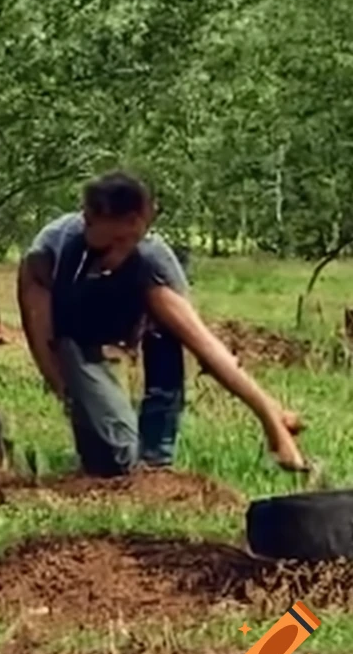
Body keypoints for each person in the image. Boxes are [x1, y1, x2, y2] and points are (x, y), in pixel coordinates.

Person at [16, 171, 306, 477]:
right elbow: (45, 337)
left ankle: (155, 463)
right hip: (75, 325)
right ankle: (105, 462)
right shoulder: (51, 255)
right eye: (99, 241)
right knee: (110, 452)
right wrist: (67, 392)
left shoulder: (152, 266)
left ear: (136, 225)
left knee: (168, 353)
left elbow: (207, 349)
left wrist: (270, 424)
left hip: (131, 312)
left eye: (119, 243)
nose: (109, 256)